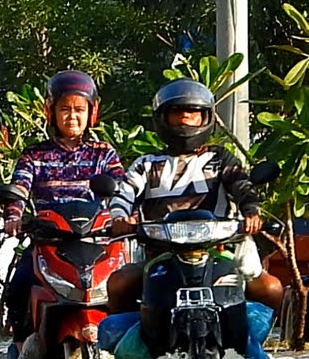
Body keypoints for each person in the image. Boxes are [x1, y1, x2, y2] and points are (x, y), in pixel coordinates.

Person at [108, 78, 285, 318]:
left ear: (206, 118)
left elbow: (240, 184)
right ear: (162, 118)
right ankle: (131, 347)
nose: (184, 118)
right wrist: (119, 217)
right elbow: (125, 192)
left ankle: (254, 344)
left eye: (193, 112)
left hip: (221, 252)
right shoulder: (146, 165)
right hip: (161, 256)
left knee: (272, 289)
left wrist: (251, 211)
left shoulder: (221, 159)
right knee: (119, 284)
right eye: (177, 112)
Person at [0, 70, 126, 359]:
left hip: (97, 245)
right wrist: (14, 216)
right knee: (19, 285)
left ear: (91, 113)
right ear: (51, 111)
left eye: (79, 109)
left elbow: (122, 190)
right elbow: (19, 187)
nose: (72, 116)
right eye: (65, 109)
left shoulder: (103, 154)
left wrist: (128, 217)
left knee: (130, 284)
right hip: (49, 245)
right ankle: (20, 351)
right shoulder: (35, 156)